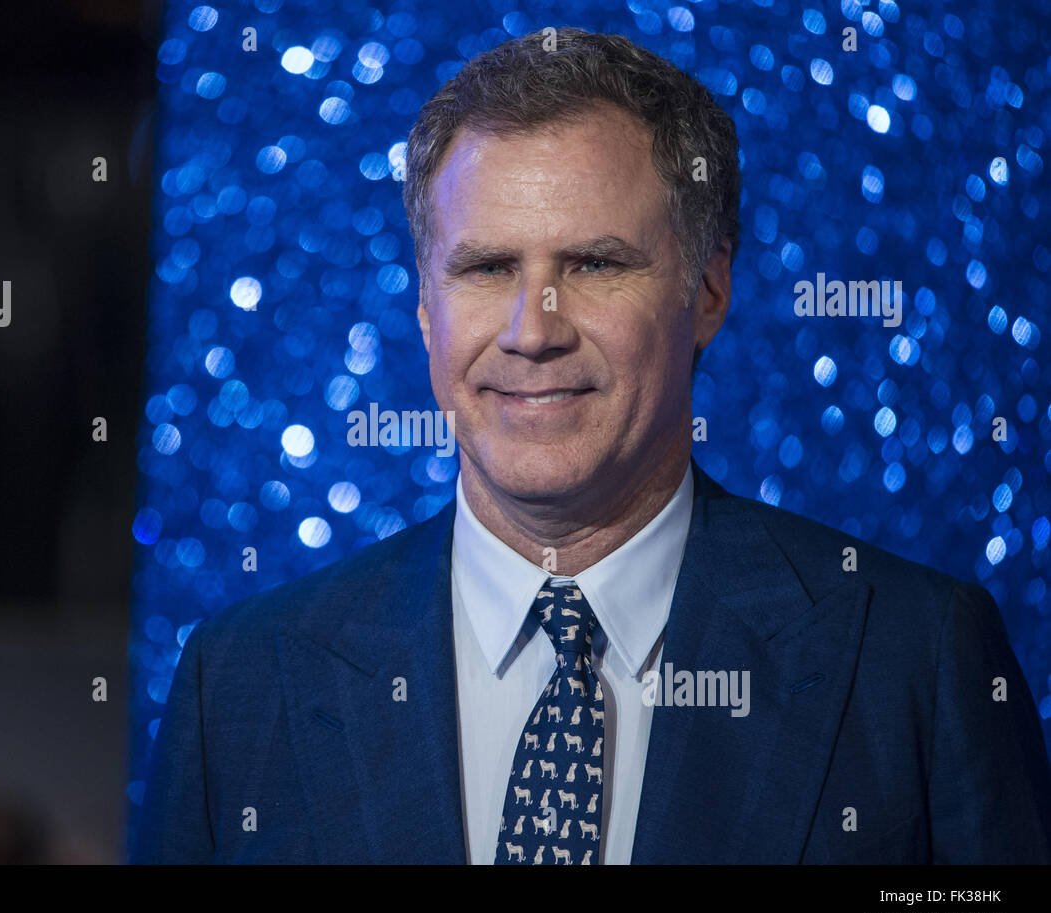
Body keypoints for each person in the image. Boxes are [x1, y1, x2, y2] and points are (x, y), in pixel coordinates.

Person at [134, 28, 1051, 864]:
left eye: (595, 265)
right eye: (488, 268)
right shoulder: (241, 684)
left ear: (709, 292)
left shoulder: (915, 662)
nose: (534, 332)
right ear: (424, 309)